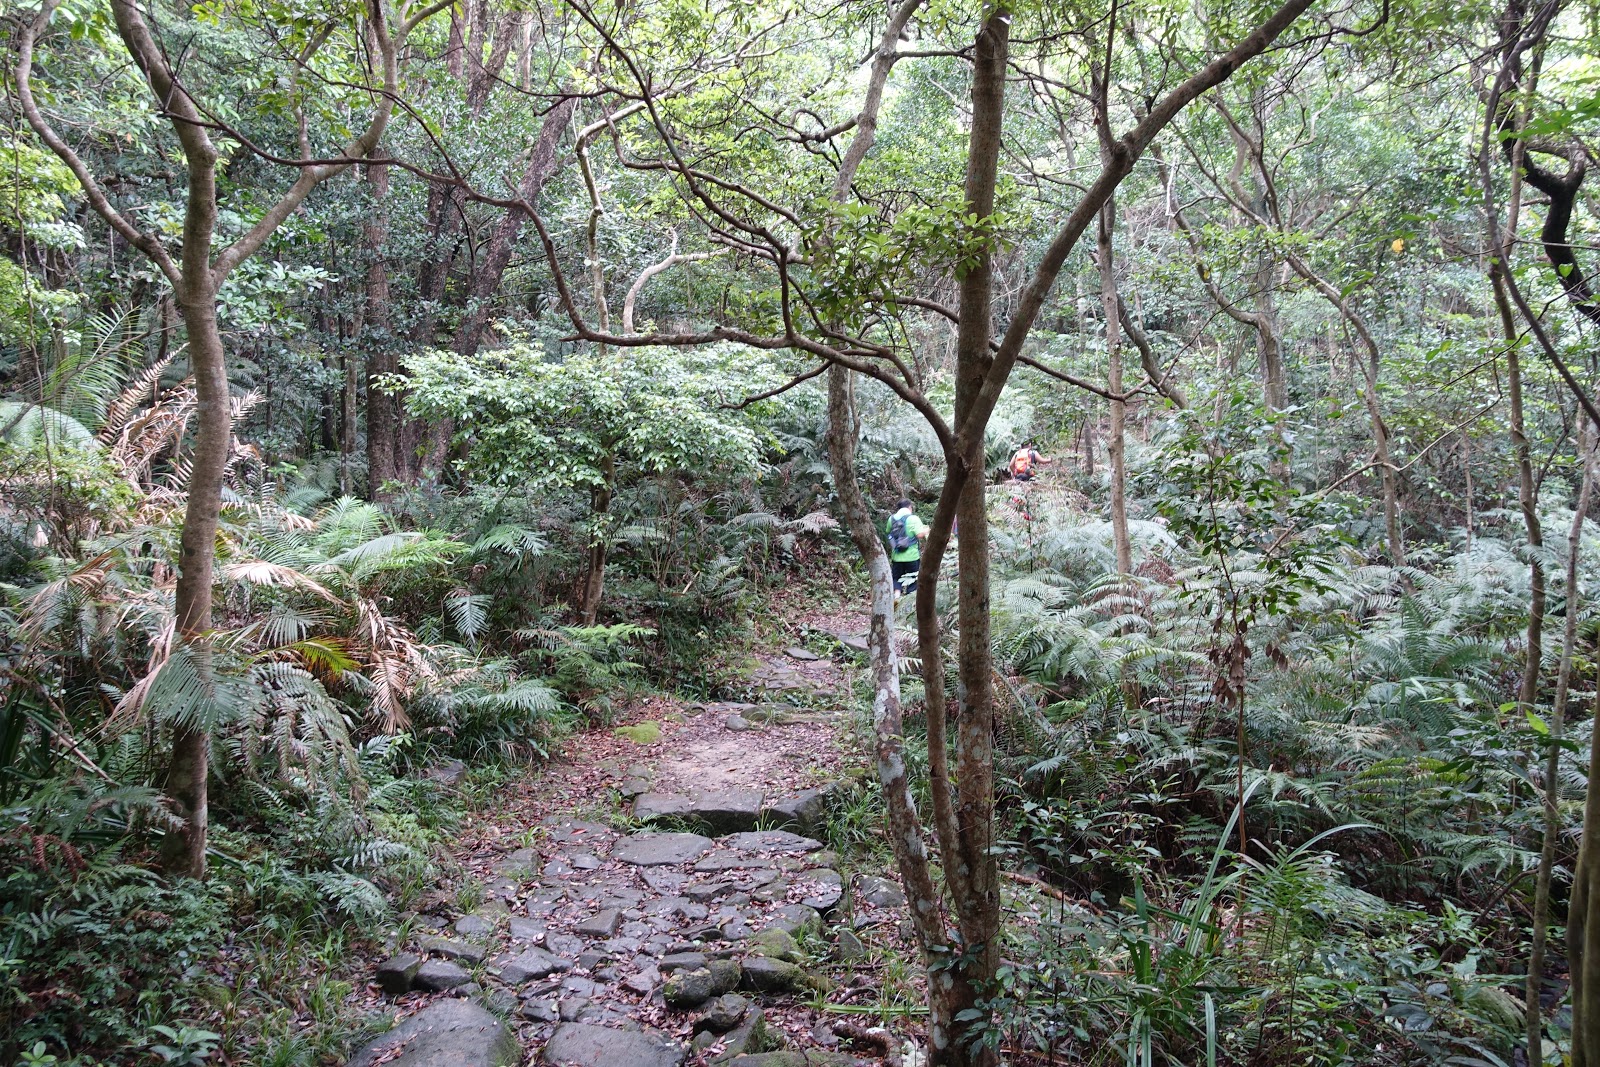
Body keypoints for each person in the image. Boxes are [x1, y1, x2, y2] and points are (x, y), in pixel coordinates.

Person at [885, 498, 929, 598]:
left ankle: (896, 598)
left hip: (896, 556)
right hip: (912, 557)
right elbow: (920, 535)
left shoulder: (891, 519)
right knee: (913, 581)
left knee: (896, 578)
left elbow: (888, 532)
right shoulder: (913, 518)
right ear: (909, 507)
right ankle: (909, 603)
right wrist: (926, 531)